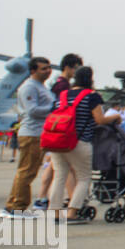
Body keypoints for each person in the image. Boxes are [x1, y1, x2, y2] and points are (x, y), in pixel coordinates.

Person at [48, 66, 121, 222]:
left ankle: (54, 213)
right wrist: (115, 116)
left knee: (59, 176)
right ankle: (72, 213)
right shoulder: (92, 96)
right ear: (91, 78)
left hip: (58, 141)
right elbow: (99, 120)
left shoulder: (62, 95)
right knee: (84, 177)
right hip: (79, 141)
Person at [1, 56, 54, 217]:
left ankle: (13, 205)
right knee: (27, 171)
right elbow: (32, 110)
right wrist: (53, 107)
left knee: (26, 171)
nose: (48, 71)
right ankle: (17, 207)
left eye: (49, 67)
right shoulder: (29, 87)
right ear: (33, 71)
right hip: (32, 133)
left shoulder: (41, 86)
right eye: (43, 68)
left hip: (39, 133)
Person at [32, 52, 83, 207]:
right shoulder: (63, 86)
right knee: (65, 167)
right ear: (68, 67)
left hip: (53, 130)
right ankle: (73, 200)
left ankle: (42, 197)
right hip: (60, 131)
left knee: (54, 166)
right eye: (75, 69)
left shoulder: (58, 83)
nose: (76, 73)